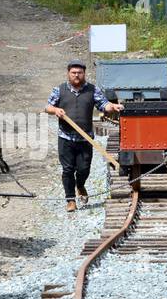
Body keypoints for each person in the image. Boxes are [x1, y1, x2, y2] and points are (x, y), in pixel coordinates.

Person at [44, 60, 123, 214]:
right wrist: (55, 110)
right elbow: (47, 106)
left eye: (79, 73)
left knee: (84, 169)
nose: (77, 75)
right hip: (65, 137)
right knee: (67, 170)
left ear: (84, 74)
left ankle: (80, 185)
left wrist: (112, 107)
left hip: (85, 138)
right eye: (73, 73)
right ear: (68, 74)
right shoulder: (59, 90)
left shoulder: (92, 90)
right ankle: (70, 200)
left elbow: (104, 104)